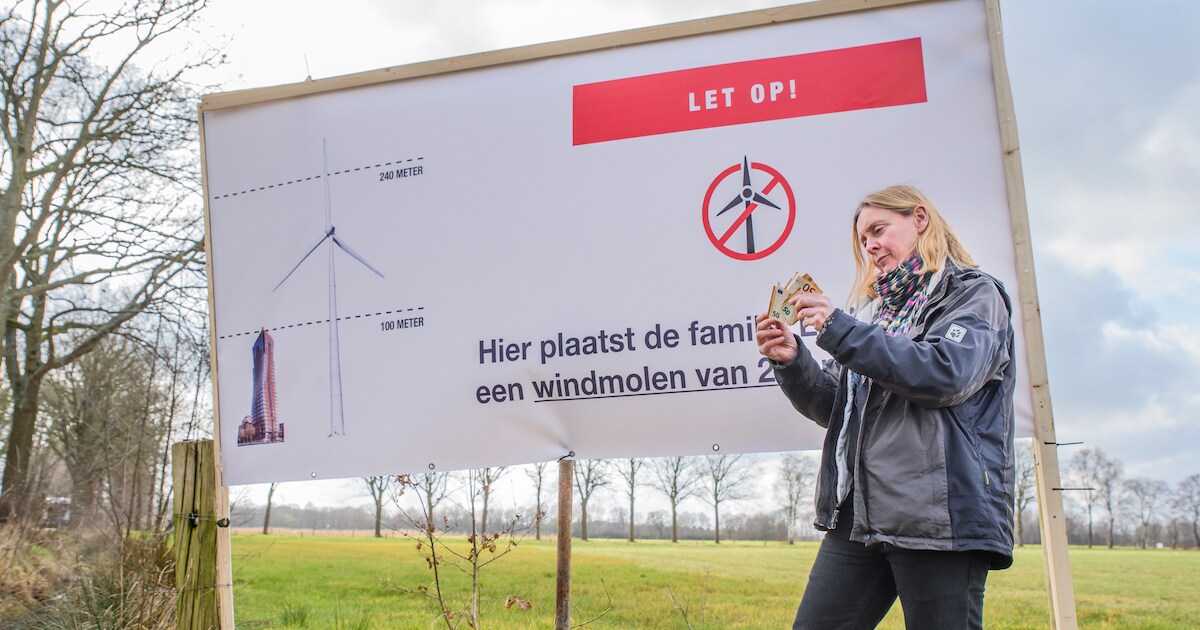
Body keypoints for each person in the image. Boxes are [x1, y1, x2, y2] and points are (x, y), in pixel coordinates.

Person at [756, 185, 1016, 629]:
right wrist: (794, 361)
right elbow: (834, 408)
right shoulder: (874, 315)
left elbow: (944, 374)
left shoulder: (973, 295)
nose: (870, 245)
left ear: (919, 219)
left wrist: (840, 328)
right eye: (863, 239)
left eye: (879, 229)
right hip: (860, 516)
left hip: (939, 520)